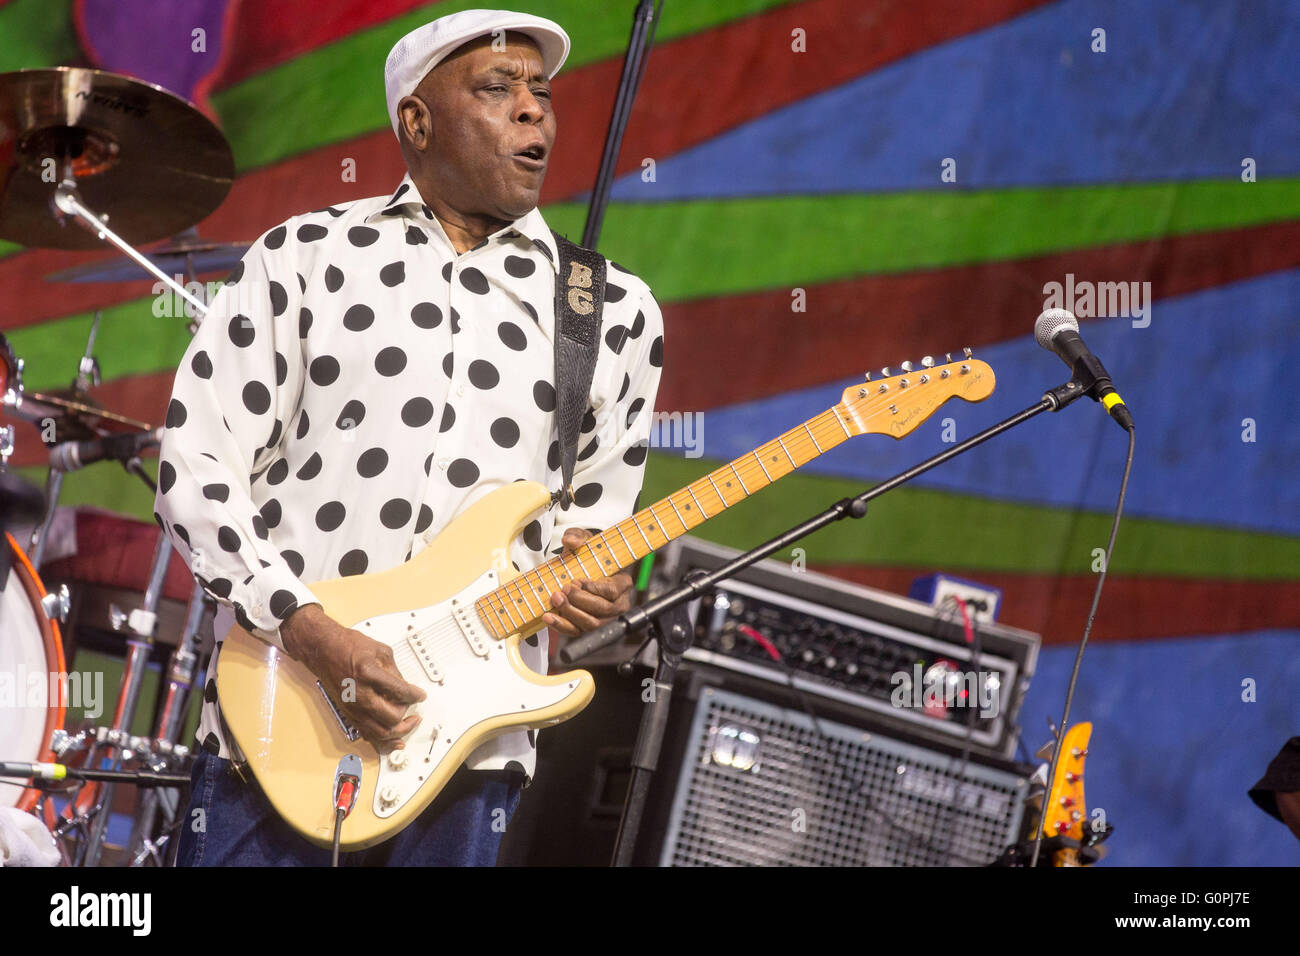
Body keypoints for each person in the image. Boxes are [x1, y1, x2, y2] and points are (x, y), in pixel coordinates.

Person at [154, 8, 664, 866]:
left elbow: (596, 529)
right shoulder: (305, 257)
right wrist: (308, 629)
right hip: (280, 719)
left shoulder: (613, 311)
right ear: (417, 123)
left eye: (541, 93)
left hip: (468, 758)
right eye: (498, 88)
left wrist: (600, 583)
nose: (533, 108)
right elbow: (193, 468)